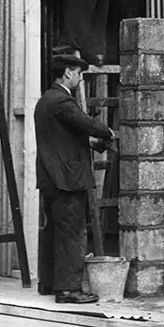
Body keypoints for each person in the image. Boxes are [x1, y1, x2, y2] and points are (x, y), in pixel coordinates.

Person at [35, 53, 116, 304]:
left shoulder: (46, 100)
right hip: (66, 180)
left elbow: (63, 138)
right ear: (68, 73)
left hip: (52, 178)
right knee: (72, 234)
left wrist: (92, 143)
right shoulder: (61, 101)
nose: (80, 80)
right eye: (79, 74)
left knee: (54, 233)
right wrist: (107, 132)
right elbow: (85, 122)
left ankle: (49, 283)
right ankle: (69, 289)